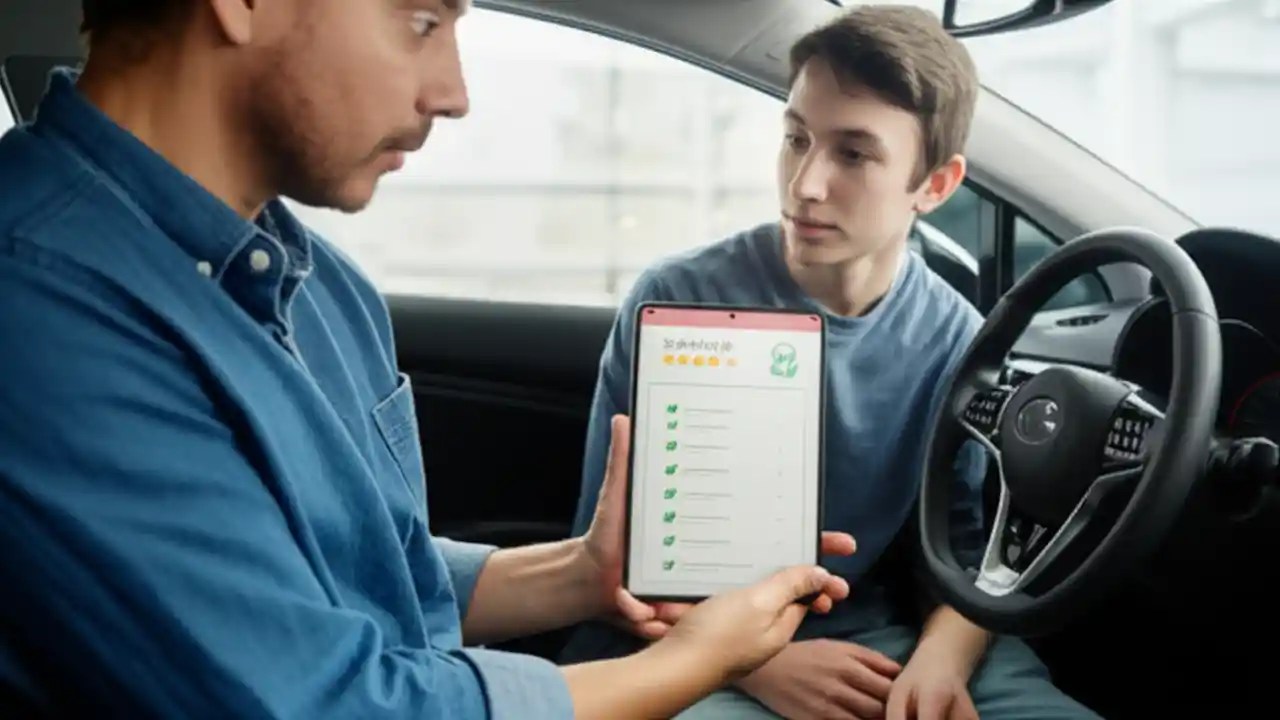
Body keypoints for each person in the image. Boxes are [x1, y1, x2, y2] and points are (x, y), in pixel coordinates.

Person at [0, 1, 859, 718]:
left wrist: (576, 575)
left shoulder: (323, 285)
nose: (454, 94)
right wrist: (694, 663)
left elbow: (354, 576)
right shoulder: (38, 310)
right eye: (419, 21)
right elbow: (332, 705)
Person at [565, 5, 1102, 720]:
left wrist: (945, 656)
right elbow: (612, 560)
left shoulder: (957, 338)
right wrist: (755, 661)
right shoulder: (679, 298)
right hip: (679, 643)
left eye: (853, 154)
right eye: (795, 140)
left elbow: (968, 559)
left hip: (880, 637)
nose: (805, 184)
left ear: (936, 185)